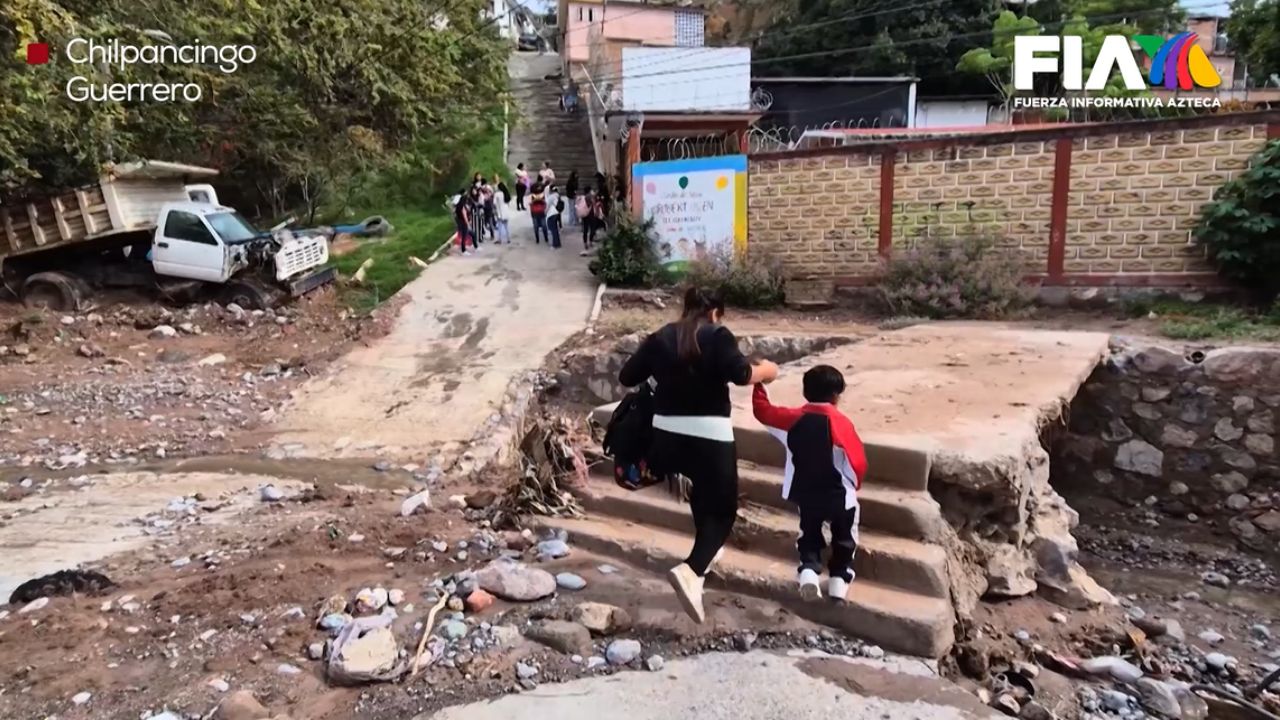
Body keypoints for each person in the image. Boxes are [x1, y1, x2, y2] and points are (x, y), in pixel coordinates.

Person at [618, 288, 780, 623]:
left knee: (702, 497)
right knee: (723, 513)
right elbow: (741, 374)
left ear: (686, 307)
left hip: (664, 437)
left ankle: (701, 570)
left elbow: (626, 376)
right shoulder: (717, 334)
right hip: (708, 436)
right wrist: (769, 371)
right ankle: (691, 570)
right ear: (716, 312)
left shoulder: (662, 335)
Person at [752, 365, 867, 602]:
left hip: (805, 492)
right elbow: (857, 463)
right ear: (837, 395)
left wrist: (758, 383)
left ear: (805, 392)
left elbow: (763, 411)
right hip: (839, 494)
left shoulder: (791, 420)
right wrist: (854, 486)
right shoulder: (842, 424)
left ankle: (808, 571)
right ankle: (839, 580)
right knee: (845, 536)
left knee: (809, 534)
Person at [453, 187, 476, 256]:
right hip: (464, 222)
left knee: (470, 234)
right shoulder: (463, 206)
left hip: (461, 221)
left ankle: (474, 246)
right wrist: (467, 223)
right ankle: (464, 250)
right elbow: (464, 215)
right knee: (465, 236)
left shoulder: (459, 206)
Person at [546, 183, 563, 249]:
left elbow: (547, 207)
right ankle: (558, 243)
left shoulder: (551, 197)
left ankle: (555, 244)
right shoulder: (558, 195)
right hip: (557, 213)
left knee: (553, 229)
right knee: (555, 229)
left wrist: (545, 212)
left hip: (551, 214)